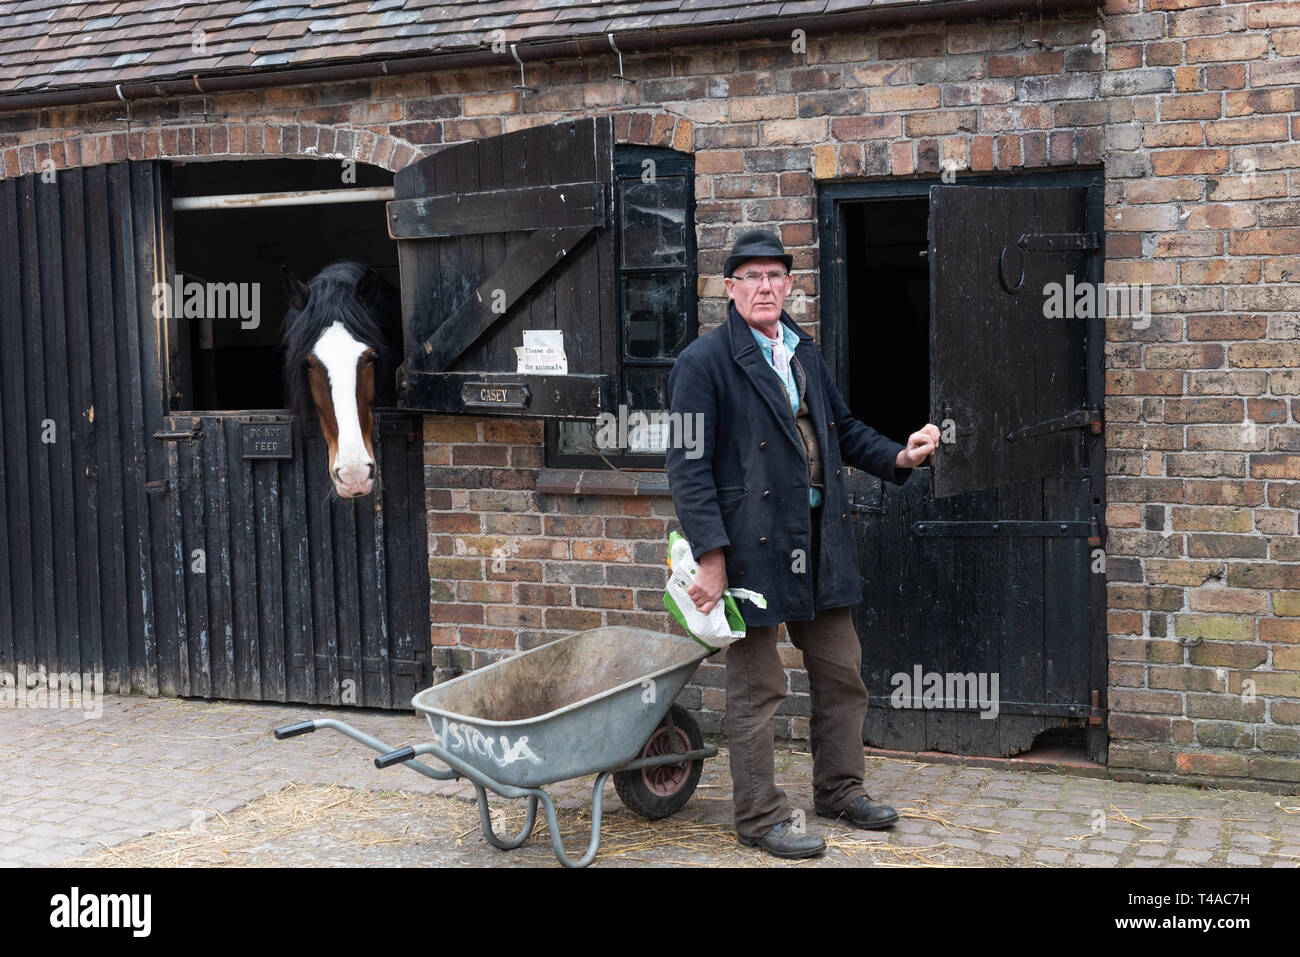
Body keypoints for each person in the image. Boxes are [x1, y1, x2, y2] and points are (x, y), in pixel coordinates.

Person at [665, 229, 941, 858]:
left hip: (820, 539)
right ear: (729, 289)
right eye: (751, 277)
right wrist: (711, 556)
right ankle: (761, 818)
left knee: (843, 673)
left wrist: (900, 454)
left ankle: (841, 791)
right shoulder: (701, 364)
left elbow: (840, 429)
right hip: (750, 548)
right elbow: (686, 464)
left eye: (775, 276)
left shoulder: (802, 351)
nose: (765, 287)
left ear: (790, 286)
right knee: (758, 686)